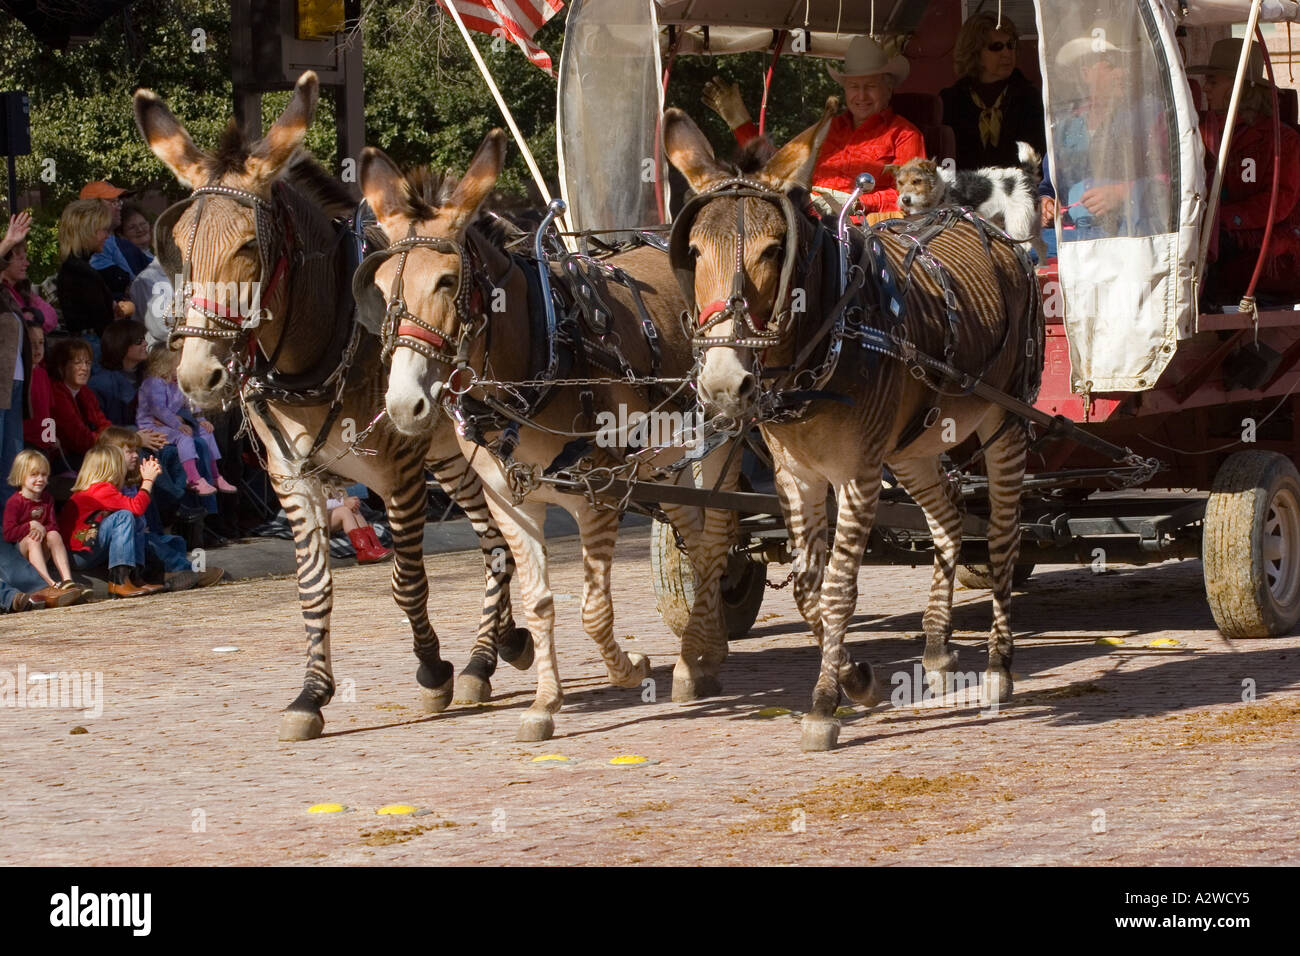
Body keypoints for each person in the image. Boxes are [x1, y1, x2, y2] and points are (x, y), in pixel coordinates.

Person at [702, 35, 926, 216]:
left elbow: (914, 194)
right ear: (845, 90)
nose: (861, 95)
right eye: (854, 86)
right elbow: (783, 166)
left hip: (867, 233)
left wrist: (856, 204)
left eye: (870, 86)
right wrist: (740, 123)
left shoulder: (905, 134)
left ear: (888, 89)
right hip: (812, 225)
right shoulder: (828, 127)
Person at [1192, 38, 1300, 301]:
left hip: (1269, 258)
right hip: (1218, 249)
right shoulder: (1200, 133)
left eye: (1213, 81)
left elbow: (1277, 204)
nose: (1205, 88)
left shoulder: (1280, 140)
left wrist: (1224, 222)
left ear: (1239, 85)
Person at [1040, 33, 1168, 240]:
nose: (1123, 72)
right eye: (1111, 66)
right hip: (1070, 241)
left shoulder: (1150, 117)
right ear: (1085, 74)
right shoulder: (1066, 127)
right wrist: (1046, 202)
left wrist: (1122, 193)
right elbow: (1049, 185)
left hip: (1129, 238)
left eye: (1126, 64)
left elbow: (1173, 180)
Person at [96, 427, 223, 590]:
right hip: (101, 546)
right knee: (151, 543)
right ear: (112, 454)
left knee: (172, 542)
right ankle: (188, 572)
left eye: (136, 450)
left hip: (132, 541)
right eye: (130, 451)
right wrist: (148, 481)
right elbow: (134, 509)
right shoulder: (104, 485)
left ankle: (164, 576)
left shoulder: (127, 480)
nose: (136, 455)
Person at [940, 13, 1046, 170]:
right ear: (974, 52)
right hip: (966, 190)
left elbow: (1038, 157)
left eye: (1011, 45)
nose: (1007, 53)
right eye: (996, 47)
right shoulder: (951, 100)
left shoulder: (1030, 97)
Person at [59, 443, 165, 598]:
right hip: (78, 556)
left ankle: (135, 578)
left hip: (84, 551)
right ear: (113, 468)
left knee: (136, 520)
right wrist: (148, 481)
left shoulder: (93, 489)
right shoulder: (100, 489)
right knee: (124, 516)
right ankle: (119, 581)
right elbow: (136, 507)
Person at [48, 337, 166, 471]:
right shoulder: (57, 394)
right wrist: (132, 439)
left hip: (93, 447)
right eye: (77, 363)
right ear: (61, 366)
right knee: (132, 450)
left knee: (154, 445)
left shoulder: (84, 392)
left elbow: (103, 424)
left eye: (87, 363)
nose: (85, 368)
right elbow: (81, 440)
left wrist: (129, 438)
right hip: (69, 458)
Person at [137, 346, 234, 496]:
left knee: (205, 432)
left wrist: (200, 420)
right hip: (151, 426)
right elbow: (159, 409)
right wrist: (179, 425)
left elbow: (190, 404)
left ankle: (215, 475)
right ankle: (193, 478)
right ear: (165, 364)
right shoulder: (154, 382)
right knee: (184, 437)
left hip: (171, 424)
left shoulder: (176, 383)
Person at [2, 449, 87, 606]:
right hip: (22, 553)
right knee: (32, 539)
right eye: (34, 475)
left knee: (54, 534)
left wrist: (42, 528)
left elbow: (52, 525)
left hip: (42, 550)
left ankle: (68, 581)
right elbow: (8, 534)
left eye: (43, 474)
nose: (40, 479)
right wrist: (30, 526)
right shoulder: (14, 502)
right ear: (21, 476)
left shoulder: (47, 498)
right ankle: (48, 584)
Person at [56, 199, 132, 344]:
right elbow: (102, 325)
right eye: (103, 230)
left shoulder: (75, 268)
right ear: (88, 232)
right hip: (94, 347)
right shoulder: (81, 273)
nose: (107, 236)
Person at [0, 212, 35, 507]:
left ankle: (8, 532)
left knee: (12, 465)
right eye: (17, 256)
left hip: (14, 386)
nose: (25, 262)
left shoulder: (10, 295)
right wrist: (6, 242)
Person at [81, 180, 136, 295]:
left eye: (120, 202)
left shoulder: (116, 242)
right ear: (93, 208)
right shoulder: (95, 246)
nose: (119, 207)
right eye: (113, 202)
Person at [1, 233, 59, 333]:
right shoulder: (3, 293)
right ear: (4, 263)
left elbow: (52, 316)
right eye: (20, 259)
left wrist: (32, 316)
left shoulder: (23, 290)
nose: (27, 263)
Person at [328, 491, 392, 564]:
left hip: (326, 514)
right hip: (315, 523)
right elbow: (317, 504)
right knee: (344, 511)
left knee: (353, 508)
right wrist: (342, 502)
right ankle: (363, 551)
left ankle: (375, 546)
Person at [21, 320, 55, 454]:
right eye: (31, 343)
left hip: (43, 445)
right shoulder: (22, 375)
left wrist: (51, 437)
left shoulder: (43, 373)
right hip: (26, 443)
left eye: (40, 343)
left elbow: (49, 411)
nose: (37, 348)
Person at [115, 203, 154, 276]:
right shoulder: (131, 261)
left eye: (143, 224)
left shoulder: (153, 254)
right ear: (121, 235)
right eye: (132, 227)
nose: (140, 229)